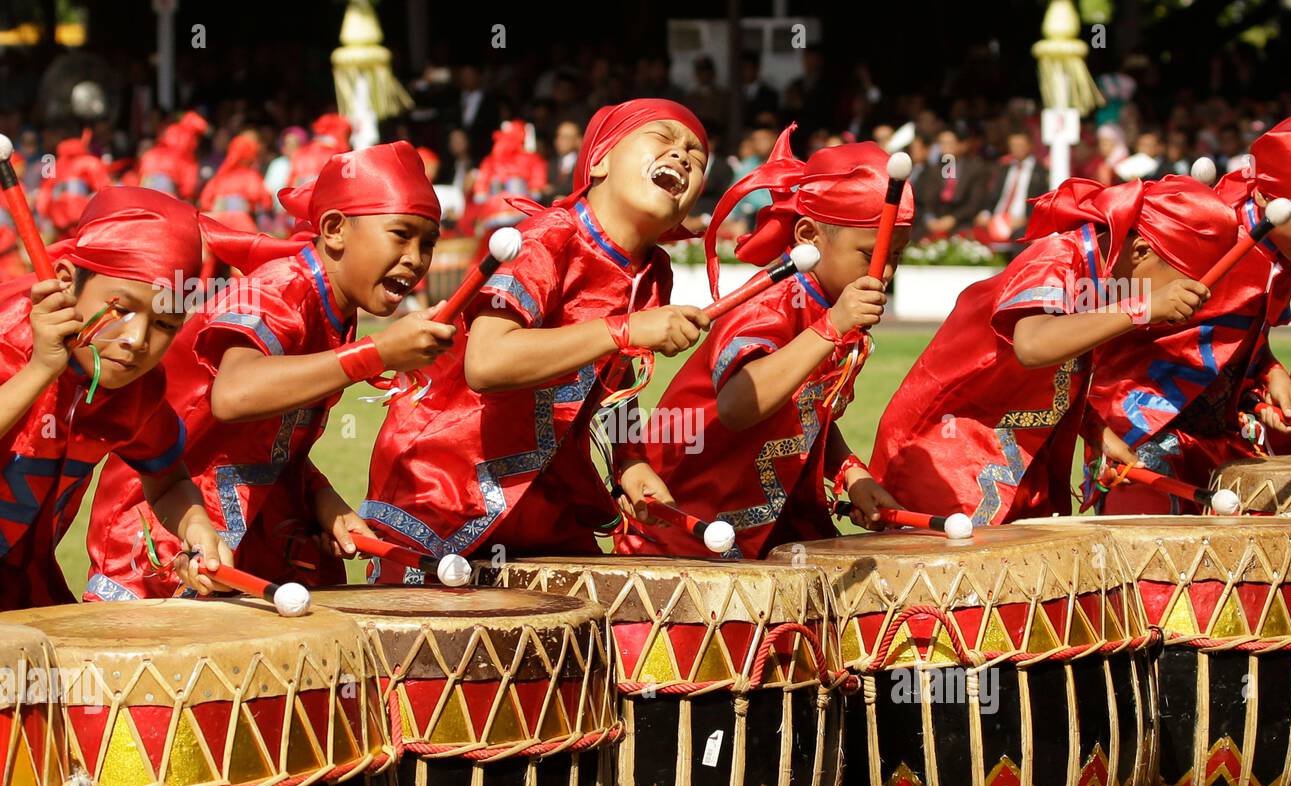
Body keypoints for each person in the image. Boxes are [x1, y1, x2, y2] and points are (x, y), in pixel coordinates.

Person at [84, 142, 453, 600]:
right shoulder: (277, 289)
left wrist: (320, 496)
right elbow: (233, 395)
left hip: (245, 523)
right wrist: (376, 353)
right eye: (401, 235)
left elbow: (272, 438)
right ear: (334, 229)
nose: (416, 259)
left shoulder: (336, 309)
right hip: (170, 519)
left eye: (428, 243)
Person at [363, 99, 713, 573]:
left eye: (696, 154)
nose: (682, 156)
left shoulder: (653, 273)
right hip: (443, 486)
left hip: (548, 492)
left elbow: (617, 380)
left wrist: (629, 461)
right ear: (600, 161)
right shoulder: (546, 239)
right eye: (664, 140)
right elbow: (487, 363)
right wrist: (623, 329)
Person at [870, 175, 1239, 525]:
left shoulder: (1105, 275)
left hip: (1019, 456)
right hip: (946, 453)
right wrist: (1144, 306)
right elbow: (1032, 346)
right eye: (1177, 288)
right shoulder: (1059, 256)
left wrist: (1095, 431)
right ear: (1141, 251)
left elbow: (1064, 368)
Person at [615, 124, 908, 559]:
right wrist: (830, 329)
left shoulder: (834, 310)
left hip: (772, 522)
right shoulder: (771, 301)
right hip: (684, 519)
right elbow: (737, 407)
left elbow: (805, 412)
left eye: (896, 257)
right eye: (870, 255)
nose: (883, 273)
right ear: (808, 236)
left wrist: (849, 471)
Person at [0, 188, 232, 608]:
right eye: (119, 309)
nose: (136, 340)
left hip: (23, 591)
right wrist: (39, 371)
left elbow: (168, 481)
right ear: (66, 282)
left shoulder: (135, 388)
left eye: (164, 323)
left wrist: (197, 527)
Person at [1089, 116, 1291, 510]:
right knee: (1141, 560)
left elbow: (1235, 339)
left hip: (1216, 435)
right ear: (1265, 200)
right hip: (1142, 429)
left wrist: (1269, 372)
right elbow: (1100, 322)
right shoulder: (1211, 238)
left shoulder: (1281, 254)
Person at [36, 132, 111, 238]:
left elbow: (43, 200)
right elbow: (106, 192)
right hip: (85, 224)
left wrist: (46, 221)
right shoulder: (90, 162)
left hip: (59, 225)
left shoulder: (54, 166)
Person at [136, 110, 208, 201]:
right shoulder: (187, 159)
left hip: (143, 200)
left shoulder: (151, 154)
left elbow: (140, 177)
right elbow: (188, 190)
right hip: (167, 203)